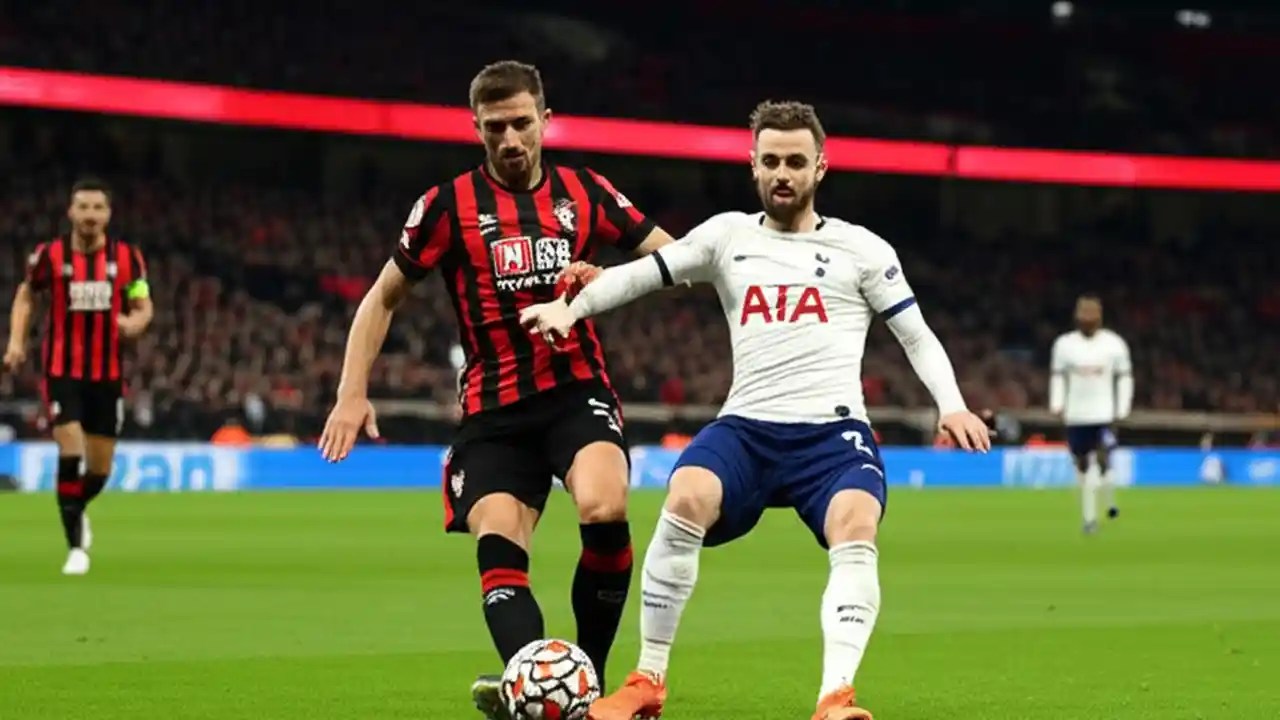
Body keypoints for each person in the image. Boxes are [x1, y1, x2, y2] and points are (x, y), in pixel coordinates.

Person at [520, 100, 991, 720]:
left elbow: (916, 334)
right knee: (684, 494)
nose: (782, 173)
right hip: (747, 427)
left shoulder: (863, 249)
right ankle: (646, 681)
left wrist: (951, 405)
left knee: (855, 523)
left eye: (796, 161)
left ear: (821, 167)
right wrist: (570, 309)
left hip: (832, 435)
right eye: (770, 161)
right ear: (753, 165)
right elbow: (642, 274)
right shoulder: (726, 237)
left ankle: (836, 697)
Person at [315, 60, 677, 718]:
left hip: (575, 390)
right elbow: (381, 298)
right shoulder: (446, 205)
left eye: (520, 124)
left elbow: (673, 258)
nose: (510, 140)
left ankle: (583, 684)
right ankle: (529, 686)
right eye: (494, 128)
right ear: (476, 128)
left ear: (544, 118)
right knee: (499, 542)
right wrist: (351, 391)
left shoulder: (586, 190)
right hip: (492, 410)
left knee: (603, 506)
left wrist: (609, 277)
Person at [3, 178, 153, 575]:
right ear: (70, 212)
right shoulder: (48, 256)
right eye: (82, 208)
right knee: (70, 450)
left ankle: (75, 509)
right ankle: (75, 549)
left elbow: (142, 302)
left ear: (108, 214)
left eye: (97, 208)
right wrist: (16, 343)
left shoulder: (128, 258)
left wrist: (135, 322)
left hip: (107, 376)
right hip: (61, 372)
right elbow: (26, 296)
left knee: (100, 471)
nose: (89, 216)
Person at [1049, 294, 1132, 533]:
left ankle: (1108, 501)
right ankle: (1089, 516)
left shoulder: (1113, 345)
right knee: (1082, 465)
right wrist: (1057, 403)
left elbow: (1124, 377)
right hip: (1077, 414)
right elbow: (1058, 376)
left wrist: (1122, 407)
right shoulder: (1065, 345)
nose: (1087, 321)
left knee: (1104, 459)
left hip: (1103, 414)